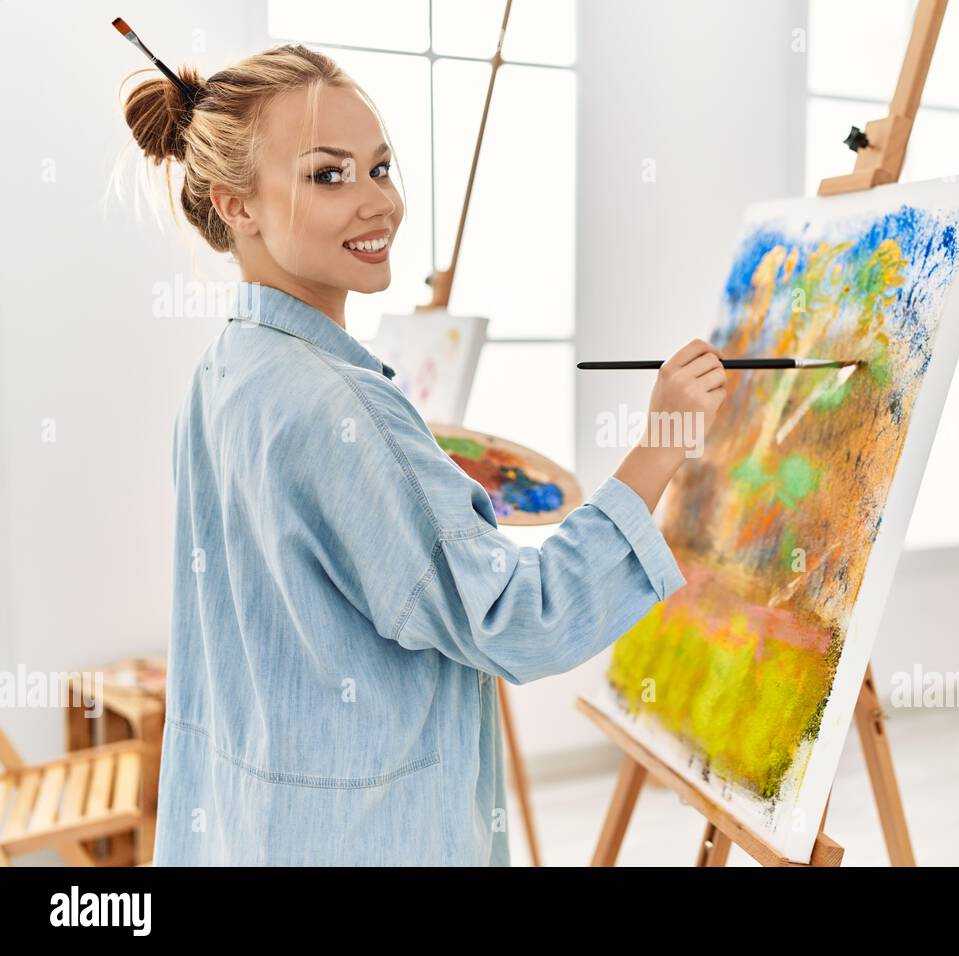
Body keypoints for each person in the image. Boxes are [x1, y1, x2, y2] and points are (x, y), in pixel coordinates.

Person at [120, 43, 725, 865]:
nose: (381, 204)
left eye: (380, 168)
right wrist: (662, 444)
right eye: (328, 175)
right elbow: (520, 621)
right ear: (237, 205)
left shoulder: (225, 371)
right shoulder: (341, 405)